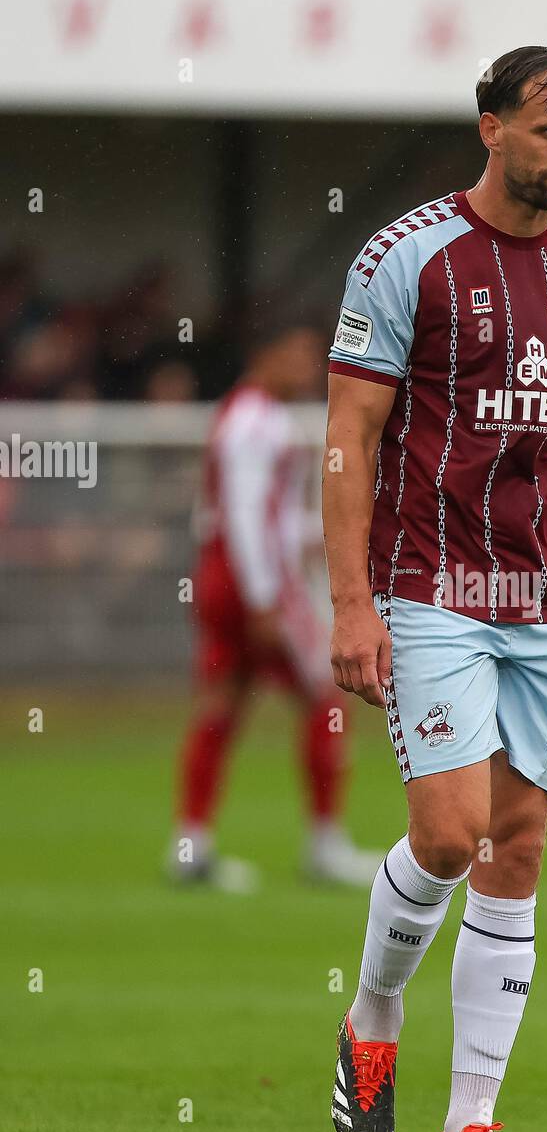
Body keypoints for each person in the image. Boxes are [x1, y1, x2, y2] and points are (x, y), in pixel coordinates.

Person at [322, 46, 547, 1132]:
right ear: (489, 128)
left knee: (516, 848)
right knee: (448, 834)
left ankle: (469, 1124)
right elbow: (350, 441)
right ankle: (372, 1021)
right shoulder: (405, 258)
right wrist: (350, 604)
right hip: (431, 589)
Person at [170, 321, 377, 890]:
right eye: (300, 352)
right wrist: (263, 598)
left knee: (221, 704)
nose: (309, 365)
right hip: (249, 582)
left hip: (222, 575)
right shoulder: (256, 421)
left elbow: (252, 514)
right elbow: (243, 516)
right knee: (329, 695)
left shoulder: (245, 415)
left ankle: (191, 844)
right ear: (267, 352)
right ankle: (326, 843)